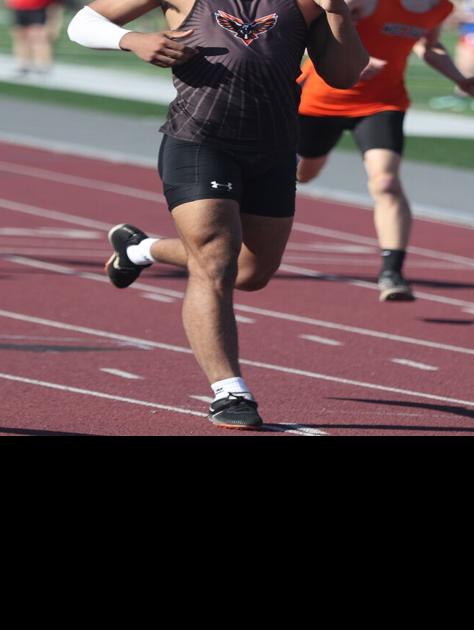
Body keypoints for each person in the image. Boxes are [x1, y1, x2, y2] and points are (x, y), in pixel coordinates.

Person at [67, 0, 367, 430]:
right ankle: (230, 392)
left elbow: (343, 76)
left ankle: (140, 249)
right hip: (200, 140)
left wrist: (337, 10)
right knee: (214, 260)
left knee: (251, 272)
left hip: (274, 148)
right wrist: (131, 40)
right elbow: (83, 21)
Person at [295, 0, 474, 301]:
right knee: (301, 176)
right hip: (320, 103)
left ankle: (392, 272)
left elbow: (430, 45)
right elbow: (317, 26)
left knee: (386, 182)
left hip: (382, 103)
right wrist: (355, 57)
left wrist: (460, 78)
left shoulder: (441, 8)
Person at [7, 0, 55, 75]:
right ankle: (23, 63)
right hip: (18, 7)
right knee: (20, 36)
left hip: (37, 7)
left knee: (39, 37)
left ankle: (42, 64)